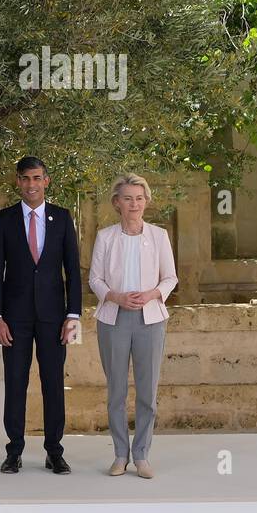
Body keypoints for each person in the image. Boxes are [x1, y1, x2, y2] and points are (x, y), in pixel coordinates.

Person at [0, 157, 82, 475]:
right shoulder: (3, 219)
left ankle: (54, 451)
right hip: (13, 319)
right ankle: (13, 451)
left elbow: (73, 270)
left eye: (37, 178)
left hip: (55, 318)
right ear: (18, 181)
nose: (31, 184)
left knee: (53, 384)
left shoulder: (62, 218)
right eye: (25, 178)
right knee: (15, 384)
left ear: (47, 180)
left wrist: (73, 315)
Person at [88, 173, 178, 478]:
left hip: (150, 320)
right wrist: (115, 296)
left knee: (146, 391)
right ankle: (119, 454)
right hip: (113, 319)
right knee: (116, 391)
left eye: (139, 198)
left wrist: (153, 294)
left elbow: (170, 278)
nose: (134, 204)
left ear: (146, 202)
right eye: (127, 198)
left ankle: (141, 455)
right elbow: (95, 279)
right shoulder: (105, 237)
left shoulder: (159, 236)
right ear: (117, 203)